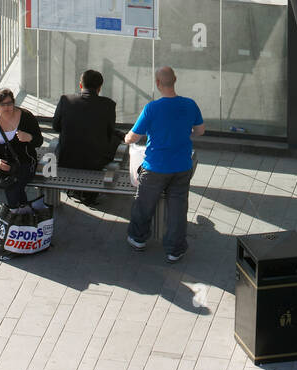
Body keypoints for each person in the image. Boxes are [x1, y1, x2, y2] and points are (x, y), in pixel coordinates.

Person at [124, 66, 203, 262]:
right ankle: (174, 250)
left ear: (158, 83)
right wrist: (185, 136)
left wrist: (126, 138)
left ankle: (138, 239)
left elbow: (133, 137)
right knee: (177, 208)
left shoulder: (152, 108)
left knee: (144, 204)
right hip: (182, 166)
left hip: (155, 167)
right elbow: (200, 131)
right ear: (175, 79)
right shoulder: (190, 104)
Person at [0, 89, 44, 239]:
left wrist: (29, 137)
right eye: (3, 104)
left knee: (13, 188)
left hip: (21, 162)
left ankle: (17, 223)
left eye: (10, 103)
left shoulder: (26, 116)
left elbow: (39, 140)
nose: (7, 107)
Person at [52, 69, 121, 206]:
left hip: (67, 158)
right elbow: (109, 132)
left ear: (80, 85)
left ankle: (78, 192)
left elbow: (56, 126)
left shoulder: (65, 100)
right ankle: (89, 195)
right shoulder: (108, 104)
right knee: (115, 139)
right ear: (99, 88)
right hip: (95, 162)